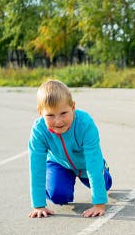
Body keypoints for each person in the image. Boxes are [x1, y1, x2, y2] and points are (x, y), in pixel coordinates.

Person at [28, 79, 113, 218]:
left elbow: (92, 163)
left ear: (73, 107)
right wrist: (38, 205)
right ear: (40, 112)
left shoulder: (85, 124)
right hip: (59, 163)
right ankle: (65, 180)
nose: (58, 121)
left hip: (86, 164)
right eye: (50, 115)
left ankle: (104, 168)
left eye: (63, 113)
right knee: (58, 195)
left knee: (105, 185)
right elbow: (36, 167)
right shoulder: (39, 131)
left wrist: (99, 204)